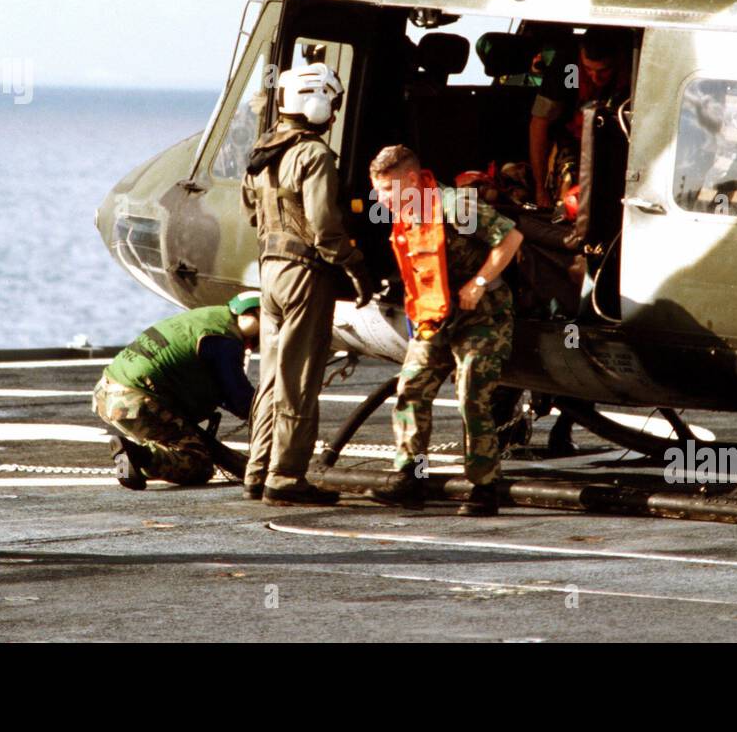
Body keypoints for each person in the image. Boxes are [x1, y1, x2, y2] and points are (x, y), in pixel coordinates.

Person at [241, 64, 373, 506]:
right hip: (304, 276)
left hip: (270, 273)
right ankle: (285, 477)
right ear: (317, 105)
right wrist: (355, 265)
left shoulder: (263, 151)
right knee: (299, 378)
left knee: (271, 377)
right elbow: (325, 227)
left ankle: (257, 469)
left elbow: (253, 215)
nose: (333, 113)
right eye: (331, 105)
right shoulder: (314, 155)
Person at [367, 144, 523, 516]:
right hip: (436, 316)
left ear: (409, 180)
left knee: (472, 395)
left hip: (482, 317)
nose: (380, 198)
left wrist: (479, 283)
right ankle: (411, 477)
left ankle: (485, 488)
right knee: (412, 388)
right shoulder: (406, 211)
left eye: (387, 189)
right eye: (378, 190)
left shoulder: (455, 207)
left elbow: (510, 239)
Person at [95, 292, 261, 490]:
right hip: (134, 400)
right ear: (254, 314)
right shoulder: (224, 339)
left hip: (108, 393)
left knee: (184, 440)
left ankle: (131, 460)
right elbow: (240, 399)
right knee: (198, 464)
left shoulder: (208, 318)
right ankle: (140, 455)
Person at [528, 28, 632, 211]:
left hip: (620, 144)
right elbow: (539, 124)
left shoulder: (634, 67)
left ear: (618, 59)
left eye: (603, 70)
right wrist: (540, 190)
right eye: (588, 69)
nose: (595, 77)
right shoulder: (570, 69)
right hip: (573, 143)